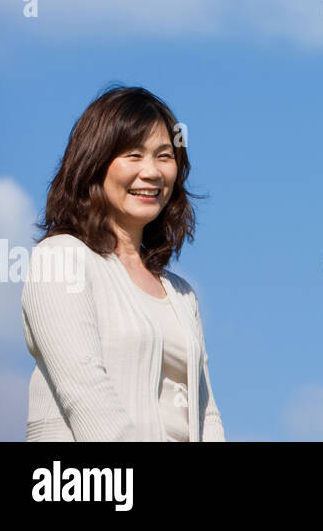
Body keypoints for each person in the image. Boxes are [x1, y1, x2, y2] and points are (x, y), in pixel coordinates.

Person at [22, 86, 224, 441]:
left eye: (164, 156)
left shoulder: (181, 294)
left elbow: (206, 416)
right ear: (94, 163)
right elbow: (85, 394)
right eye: (133, 155)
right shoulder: (61, 259)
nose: (151, 172)